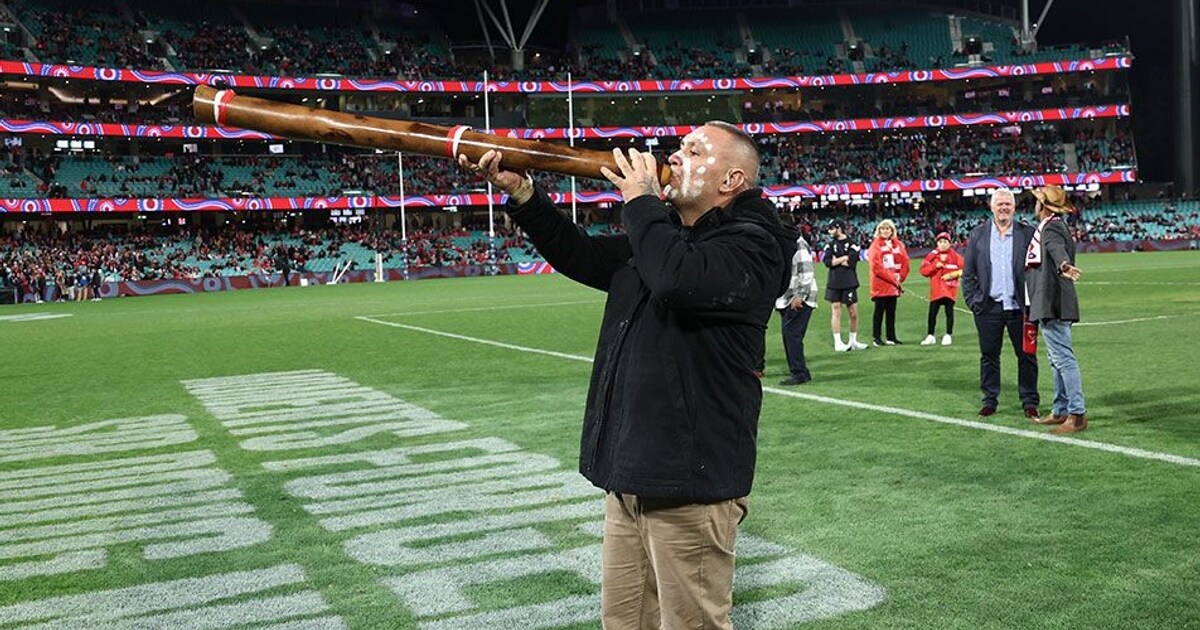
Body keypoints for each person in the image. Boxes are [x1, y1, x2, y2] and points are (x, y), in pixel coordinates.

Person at [458, 121, 797, 630]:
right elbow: (583, 256)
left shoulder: (754, 245)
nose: (675, 157)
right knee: (624, 622)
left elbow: (676, 282)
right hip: (634, 472)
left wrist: (641, 200)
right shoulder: (667, 238)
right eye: (680, 146)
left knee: (693, 625)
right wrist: (524, 194)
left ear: (730, 181)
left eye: (694, 150)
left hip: (690, 483)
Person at [962, 187, 1040, 419]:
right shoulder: (978, 234)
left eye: (1008, 203)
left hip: (1021, 308)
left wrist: (1034, 301)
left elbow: (1038, 270)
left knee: (1026, 355)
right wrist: (974, 302)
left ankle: (1029, 401)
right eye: (1000, 204)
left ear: (1014, 207)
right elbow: (968, 274)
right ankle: (989, 400)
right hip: (989, 307)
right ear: (991, 206)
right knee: (989, 356)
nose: (1004, 207)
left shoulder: (1028, 233)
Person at [1024, 185, 1087, 433]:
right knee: (1056, 360)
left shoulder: (1050, 227)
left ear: (1044, 206)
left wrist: (1063, 265)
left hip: (1052, 301)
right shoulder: (1054, 225)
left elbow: (1055, 249)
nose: (1035, 204)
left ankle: (1077, 414)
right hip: (1051, 301)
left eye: (1038, 201)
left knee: (1063, 358)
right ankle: (1061, 410)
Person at [776, 233, 819, 385]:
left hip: (798, 298)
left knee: (791, 334)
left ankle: (799, 373)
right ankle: (800, 371)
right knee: (790, 335)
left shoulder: (798, 244)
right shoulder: (785, 242)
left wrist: (800, 296)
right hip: (787, 298)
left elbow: (807, 272)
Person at [823, 219, 869, 351]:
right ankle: (838, 343)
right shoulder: (829, 245)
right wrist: (843, 258)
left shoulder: (853, 244)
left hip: (849, 282)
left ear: (839, 228)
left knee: (853, 312)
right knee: (836, 310)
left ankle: (853, 341)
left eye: (832, 228)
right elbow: (827, 262)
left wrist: (836, 260)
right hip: (834, 282)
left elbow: (852, 262)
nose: (830, 231)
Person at [866, 219, 909, 346]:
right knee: (879, 311)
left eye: (887, 228)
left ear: (892, 231)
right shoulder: (875, 245)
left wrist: (900, 277)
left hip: (894, 284)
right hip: (881, 284)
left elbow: (905, 262)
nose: (885, 231)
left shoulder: (898, 245)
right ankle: (876, 337)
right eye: (882, 229)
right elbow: (876, 266)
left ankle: (891, 337)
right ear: (878, 231)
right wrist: (893, 279)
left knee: (891, 312)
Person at [919, 231, 964, 346]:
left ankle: (948, 334)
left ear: (949, 243)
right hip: (936, 290)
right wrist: (935, 266)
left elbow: (964, 270)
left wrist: (951, 275)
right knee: (932, 313)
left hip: (950, 289)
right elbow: (923, 271)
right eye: (940, 242)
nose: (943, 244)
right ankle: (930, 335)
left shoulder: (955, 256)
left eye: (945, 242)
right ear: (937, 243)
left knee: (949, 312)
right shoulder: (932, 256)